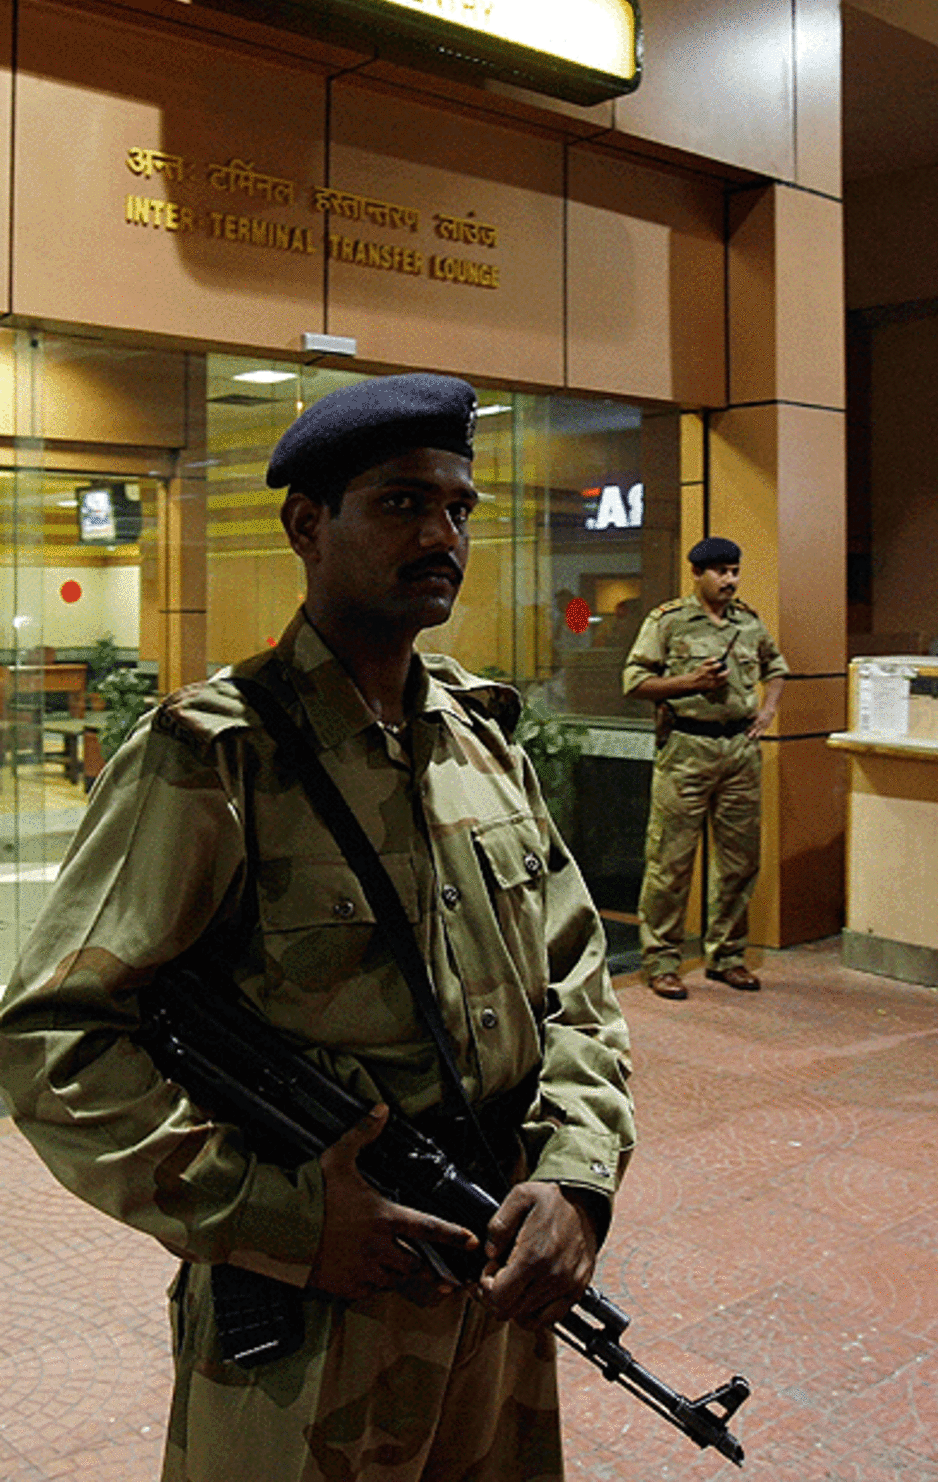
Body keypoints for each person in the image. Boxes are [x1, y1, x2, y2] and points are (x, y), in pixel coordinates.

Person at [0, 374, 636, 1482]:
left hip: (495, 1286)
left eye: (459, 509)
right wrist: (280, 1217)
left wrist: (577, 1175)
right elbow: (54, 1039)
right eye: (401, 504)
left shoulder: (486, 746)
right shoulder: (215, 759)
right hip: (312, 1327)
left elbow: (576, 977)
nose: (443, 535)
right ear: (309, 525)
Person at [621, 536, 788, 999]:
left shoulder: (749, 623)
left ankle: (728, 956)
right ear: (697, 574)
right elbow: (633, 681)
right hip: (686, 748)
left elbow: (777, 667)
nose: (730, 580)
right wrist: (688, 682)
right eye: (720, 572)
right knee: (670, 861)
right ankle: (661, 960)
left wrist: (768, 710)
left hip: (739, 751)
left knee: (739, 861)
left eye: (734, 571)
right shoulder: (669, 621)